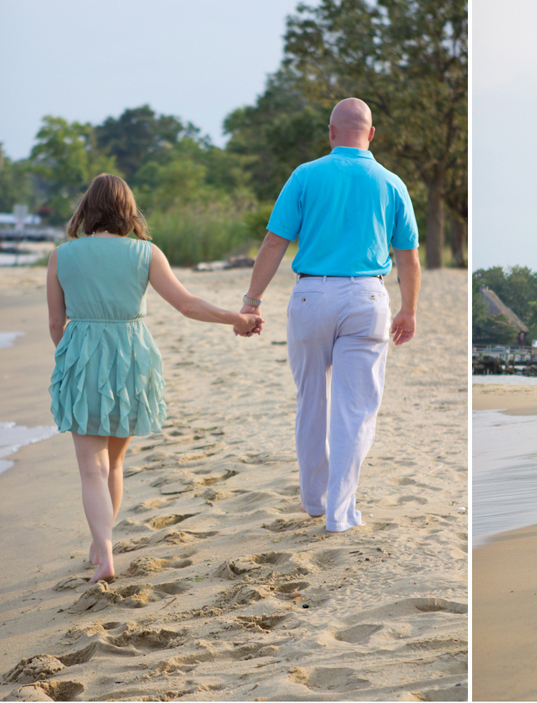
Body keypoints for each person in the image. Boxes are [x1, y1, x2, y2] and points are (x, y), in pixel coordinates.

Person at [47, 173, 264, 583]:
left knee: (90, 468)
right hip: (131, 357)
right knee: (114, 463)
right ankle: (101, 543)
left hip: (82, 357)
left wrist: (70, 359)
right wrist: (237, 318)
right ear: (128, 210)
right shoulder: (146, 253)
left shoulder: (62, 255)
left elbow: (56, 323)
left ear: (87, 209)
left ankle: (104, 552)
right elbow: (186, 304)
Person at [236, 97, 421, 533]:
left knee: (312, 401)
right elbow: (408, 258)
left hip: (311, 295)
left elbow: (274, 243)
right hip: (367, 298)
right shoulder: (391, 182)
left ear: (331, 132)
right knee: (355, 410)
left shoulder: (305, 175)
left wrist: (252, 301)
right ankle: (340, 513)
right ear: (371, 134)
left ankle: (314, 501)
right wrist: (410, 309)